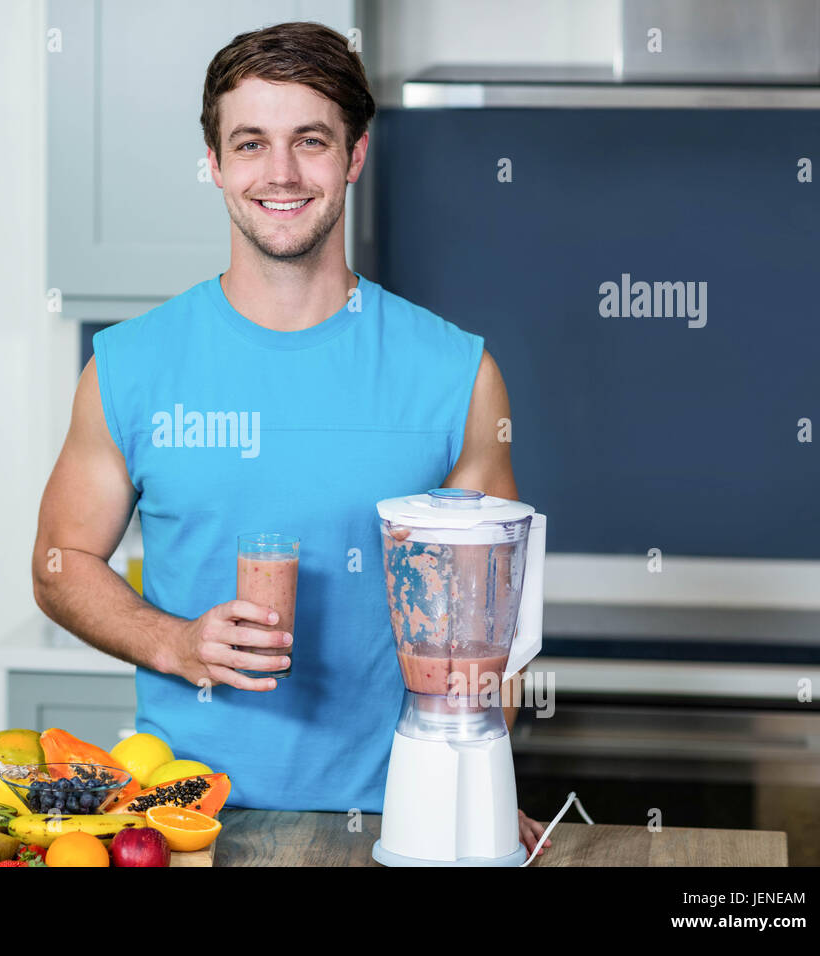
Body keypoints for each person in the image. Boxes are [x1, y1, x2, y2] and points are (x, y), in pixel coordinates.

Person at [33, 20, 549, 858]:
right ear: (214, 162)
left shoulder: (457, 375)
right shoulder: (129, 367)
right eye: (250, 143)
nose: (279, 173)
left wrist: (471, 794)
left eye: (310, 141)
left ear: (354, 156)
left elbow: (490, 629)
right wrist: (174, 641)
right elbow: (59, 563)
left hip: (398, 822)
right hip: (179, 825)